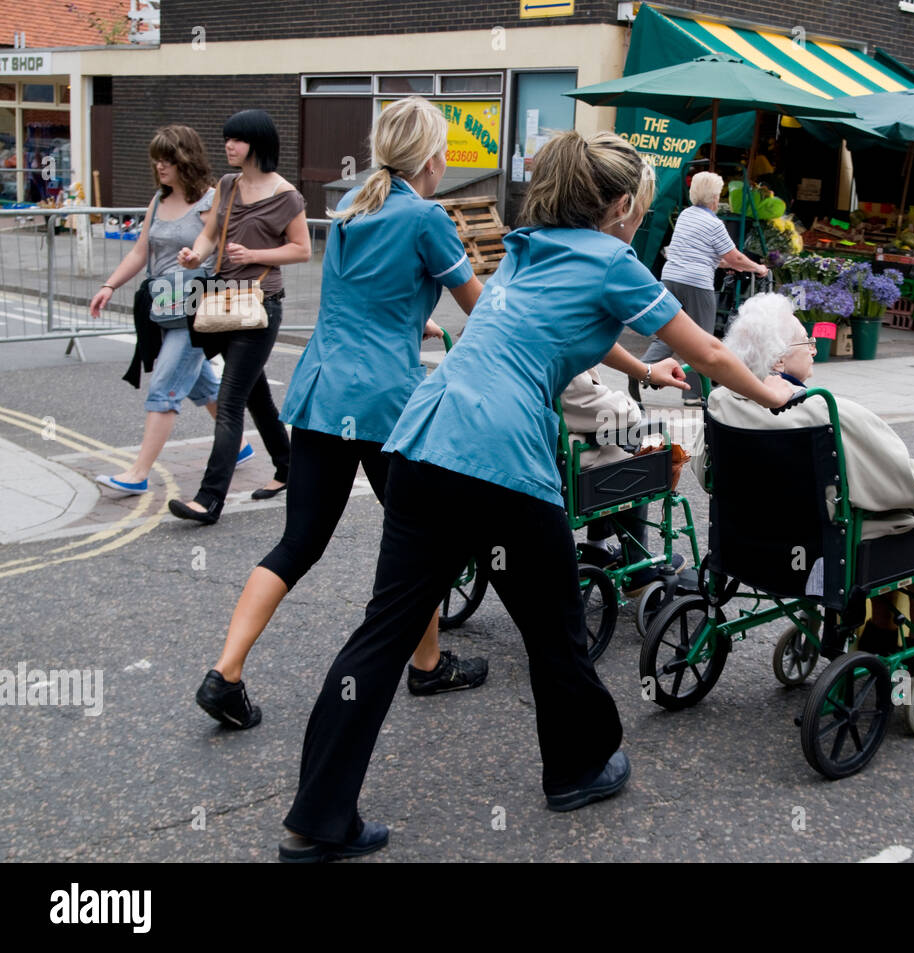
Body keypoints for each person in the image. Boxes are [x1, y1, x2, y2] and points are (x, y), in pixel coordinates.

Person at [278, 130, 795, 862]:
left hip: (425, 441)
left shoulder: (528, 247)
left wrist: (643, 375)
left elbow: (551, 328)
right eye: (638, 210)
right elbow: (707, 349)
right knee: (556, 628)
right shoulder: (612, 260)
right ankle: (578, 767)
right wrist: (772, 392)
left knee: (382, 632)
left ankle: (316, 818)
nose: (638, 223)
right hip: (500, 457)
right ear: (618, 207)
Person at [194, 98, 488, 730]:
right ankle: (428, 666)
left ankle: (226, 673)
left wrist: (416, 318)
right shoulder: (427, 217)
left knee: (299, 541)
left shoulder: (354, 206)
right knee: (423, 535)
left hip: (324, 391)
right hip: (385, 402)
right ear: (433, 158)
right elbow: (483, 309)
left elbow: (362, 301)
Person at [692, 293, 914, 727]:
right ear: (777, 361)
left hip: (751, 542)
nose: (813, 350)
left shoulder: (722, 401)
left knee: (874, 516)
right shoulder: (829, 411)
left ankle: (881, 626)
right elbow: (906, 484)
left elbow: (705, 474)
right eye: (807, 343)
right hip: (827, 548)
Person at [89, 125, 253, 493]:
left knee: (165, 382)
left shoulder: (212, 202)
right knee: (198, 380)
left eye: (167, 159)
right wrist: (109, 285)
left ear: (186, 159)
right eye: (156, 159)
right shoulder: (157, 200)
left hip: (196, 309)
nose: (160, 166)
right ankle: (239, 445)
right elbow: (140, 251)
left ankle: (138, 473)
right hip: (162, 306)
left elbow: (228, 252)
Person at [169, 109, 310, 524]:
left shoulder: (287, 195)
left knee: (229, 403)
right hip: (223, 301)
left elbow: (301, 249)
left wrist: (255, 255)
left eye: (237, 140)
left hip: (260, 307)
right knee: (256, 396)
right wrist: (196, 252)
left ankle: (209, 499)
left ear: (258, 145)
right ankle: (288, 468)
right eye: (227, 139)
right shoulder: (227, 185)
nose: (228, 146)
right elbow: (211, 232)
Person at [634, 170, 769, 406]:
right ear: (714, 198)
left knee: (670, 331)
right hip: (696, 284)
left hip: (671, 277)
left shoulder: (686, 215)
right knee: (702, 341)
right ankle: (693, 394)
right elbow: (735, 257)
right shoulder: (714, 223)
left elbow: (708, 254)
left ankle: (639, 371)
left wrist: (726, 264)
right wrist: (757, 268)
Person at [561, 367, 685, 593]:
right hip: (572, 467)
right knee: (636, 464)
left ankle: (596, 547)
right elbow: (610, 410)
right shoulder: (562, 365)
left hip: (549, 454)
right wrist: (632, 406)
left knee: (615, 449)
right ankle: (639, 568)